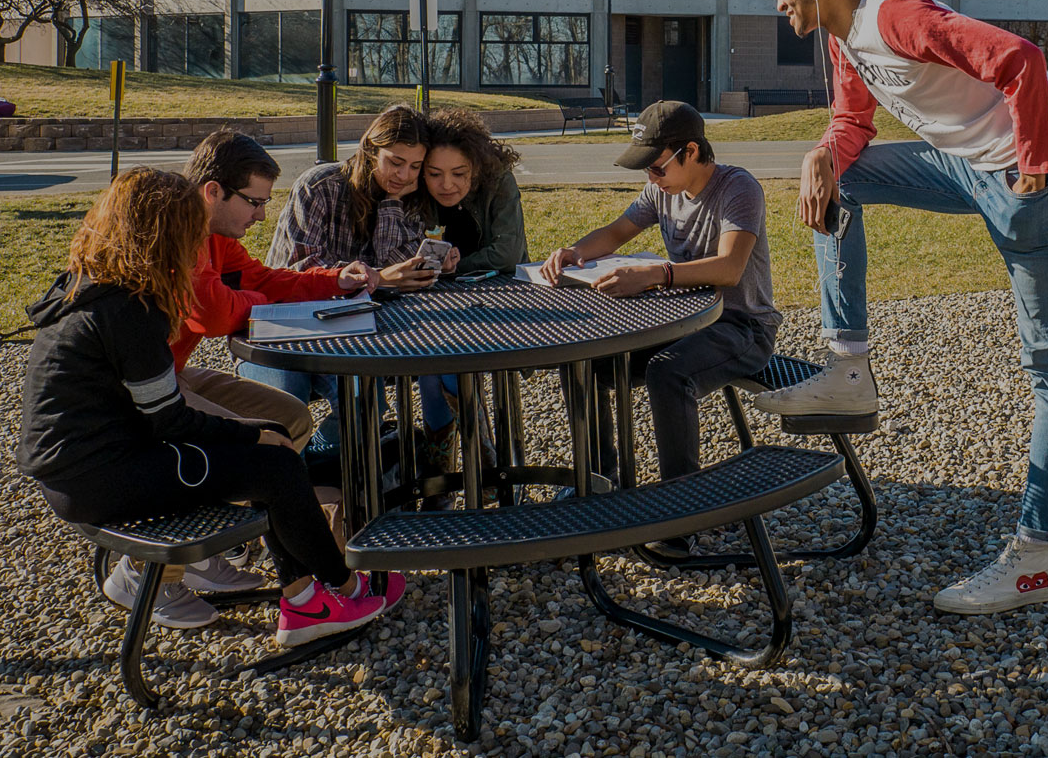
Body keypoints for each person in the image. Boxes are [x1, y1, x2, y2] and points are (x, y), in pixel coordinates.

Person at [759, 0, 1048, 615]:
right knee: (840, 181)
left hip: (1040, 176)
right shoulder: (842, 37)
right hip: (969, 166)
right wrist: (822, 151)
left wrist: (1034, 162)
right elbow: (854, 121)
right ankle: (849, 367)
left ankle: (1034, 559)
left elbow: (1020, 58)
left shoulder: (895, 18)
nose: (778, 6)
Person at [18, 168, 404, 643]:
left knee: (271, 452)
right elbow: (169, 418)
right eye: (190, 233)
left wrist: (254, 435)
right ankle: (338, 588)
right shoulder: (130, 311)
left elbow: (155, 409)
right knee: (275, 464)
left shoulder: (96, 284)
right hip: (100, 476)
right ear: (165, 236)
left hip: (85, 465)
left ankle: (305, 597)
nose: (197, 248)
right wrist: (251, 435)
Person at [541, 101, 780, 554]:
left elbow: (730, 269)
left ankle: (679, 515)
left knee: (668, 372)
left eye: (655, 167)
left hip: (742, 326)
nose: (650, 178)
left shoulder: (738, 188)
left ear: (690, 152)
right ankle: (599, 478)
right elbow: (615, 232)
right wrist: (574, 252)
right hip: (685, 323)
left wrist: (656, 274)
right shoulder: (661, 192)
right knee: (586, 360)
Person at [251, 105, 446, 454]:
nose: (404, 174)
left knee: (367, 404)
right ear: (370, 149)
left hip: (352, 334)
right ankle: (302, 475)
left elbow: (393, 269)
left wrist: (391, 204)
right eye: (395, 162)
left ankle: (317, 467)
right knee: (284, 408)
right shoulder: (321, 185)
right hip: (285, 329)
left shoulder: (410, 199)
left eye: (415, 166)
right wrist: (380, 278)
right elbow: (298, 269)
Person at [175, 130, 380, 460]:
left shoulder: (216, 235)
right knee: (268, 442)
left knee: (291, 419)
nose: (261, 216)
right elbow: (213, 315)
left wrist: (336, 280)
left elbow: (264, 280)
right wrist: (256, 301)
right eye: (254, 202)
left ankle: (298, 492)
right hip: (140, 390)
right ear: (212, 192)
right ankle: (262, 503)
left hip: (174, 372)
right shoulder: (179, 233)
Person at [415, 109, 529, 504]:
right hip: (433, 304)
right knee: (435, 363)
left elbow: (507, 253)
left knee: (442, 362)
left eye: (460, 173)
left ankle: (441, 479)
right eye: (434, 174)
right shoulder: (411, 190)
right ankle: (477, 457)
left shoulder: (499, 181)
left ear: (477, 168)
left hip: (499, 301)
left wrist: (453, 267)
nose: (447, 185)